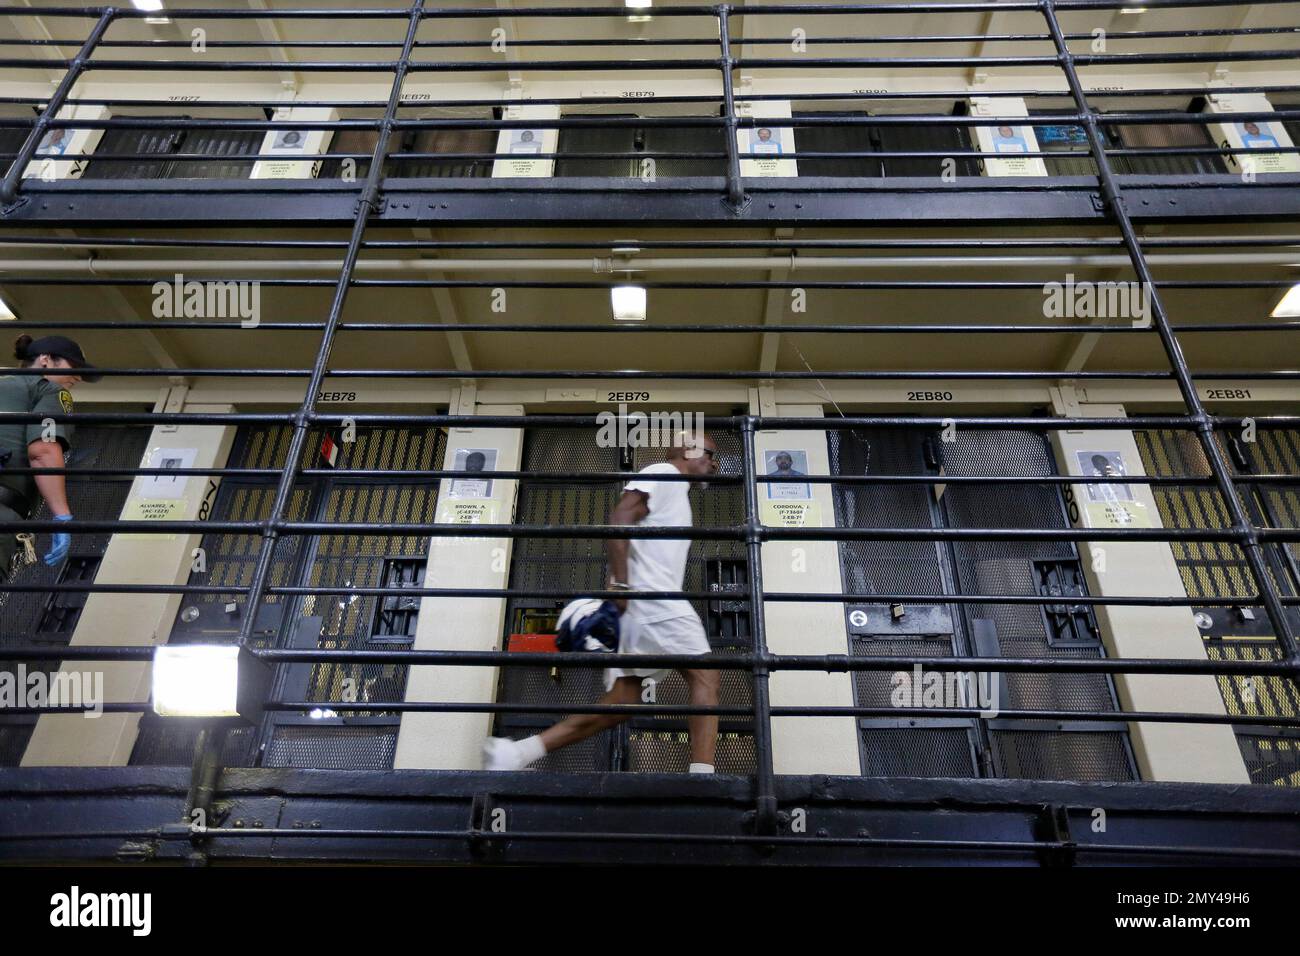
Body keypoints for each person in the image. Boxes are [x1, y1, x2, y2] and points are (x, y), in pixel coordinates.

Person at [482, 430, 722, 773]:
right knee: (705, 676)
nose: (713, 464)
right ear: (687, 450)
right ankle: (703, 777)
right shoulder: (664, 474)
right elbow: (620, 518)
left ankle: (518, 754)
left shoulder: (674, 489)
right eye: (709, 454)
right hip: (654, 600)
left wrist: (619, 583)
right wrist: (621, 584)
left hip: (642, 605)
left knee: (623, 702)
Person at [0, 334, 100, 581]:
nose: (77, 377)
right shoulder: (49, 390)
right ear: (45, 360)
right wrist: (61, 517)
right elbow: (43, 451)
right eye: (73, 367)